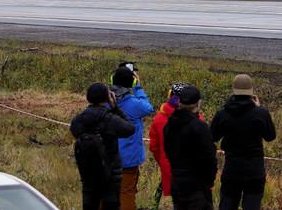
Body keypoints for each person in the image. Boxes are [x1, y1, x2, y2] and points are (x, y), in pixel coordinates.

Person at [210, 74, 276, 210]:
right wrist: (259, 109)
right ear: (251, 92)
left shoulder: (222, 114)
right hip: (254, 170)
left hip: (232, 169)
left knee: (227, 205)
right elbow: (270, 136)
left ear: (233, 90)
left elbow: (212, 137)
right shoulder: (260, 113)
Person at [70, 81, 136, 210]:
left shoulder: (79, 119)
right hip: (110, 175)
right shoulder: (109, 118)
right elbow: (130, 129)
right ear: (107, 97)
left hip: (88, 173)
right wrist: (116, 108)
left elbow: (75, 132)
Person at [164, 85, 216, 210]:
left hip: (177, 181)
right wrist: (209, 180)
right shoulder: (199, 127)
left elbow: (168, 151)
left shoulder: (170, 124)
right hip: (197, 186)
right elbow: (209, 157)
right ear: (198, 104)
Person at [109, 64, 154, 210]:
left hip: (107, 157)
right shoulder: (134, 104)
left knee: (107, 191)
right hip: (128, 159)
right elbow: (148, 107)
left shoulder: (106, 101)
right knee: (127, 192)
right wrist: (138, 87)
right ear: (132, 83)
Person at [149, 82, 191, 203]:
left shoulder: (159, 118)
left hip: (168, 166)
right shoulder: (198, 119)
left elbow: (154, 147)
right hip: (191, 171)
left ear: (170, 95)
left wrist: (162, 161)